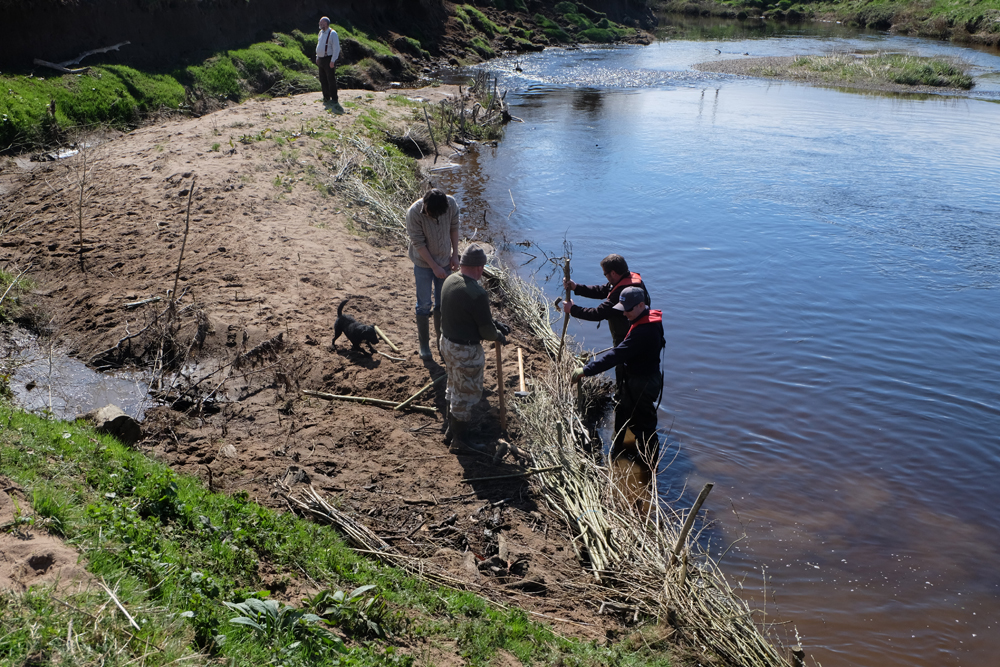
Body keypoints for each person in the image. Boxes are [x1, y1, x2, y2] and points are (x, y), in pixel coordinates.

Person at [572, 286, 664, 463]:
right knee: (622, 410)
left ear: (641, 305)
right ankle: (619, 451)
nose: (624, 314)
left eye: (627, 310)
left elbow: (616, 355)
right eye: (622, 309)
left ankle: (649, 465)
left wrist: (586, 370)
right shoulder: (644, 319)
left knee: (644, 425)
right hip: (635, 379)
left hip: (643, 383)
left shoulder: (645, 331)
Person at [440, 244, 509, 454]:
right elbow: (487, 332)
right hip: (465, 351)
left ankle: (450, 431)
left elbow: (467, 314)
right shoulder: (477, 293)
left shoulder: (450, 280)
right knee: (464, 394)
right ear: (480, 268)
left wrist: (493, 322)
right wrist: (498, 334)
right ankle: (460, 441)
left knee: (453, 385)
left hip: (447, 344)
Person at [406, 188, 461, 360]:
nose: (436, 217)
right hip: (423, 264)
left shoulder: (451, 204)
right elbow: (418, 242)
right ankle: (424, 345)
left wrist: (454, 255)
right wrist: (434, 267)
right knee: (424, 304)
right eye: (432, 213)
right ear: (426, 205)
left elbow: (454, 228)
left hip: (445, 261)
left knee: (442, 305)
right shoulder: (414, 213)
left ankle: (440, 343)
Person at [562, 254, 650, 348]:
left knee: (620, 359)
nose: (605, 277)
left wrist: (572, 309)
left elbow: (598, 313)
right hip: (631, 332)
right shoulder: (626, 278)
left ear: (613, 273)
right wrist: (576, 287)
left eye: (605, 274)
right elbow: (602, 290)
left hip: (627, 337)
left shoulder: (623, 293)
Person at [315, 17, 340, 104]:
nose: (320, 24)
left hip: (328, 59)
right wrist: (317, 57)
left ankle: (334, 99)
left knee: (330, 79)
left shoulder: (333, 33)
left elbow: (336, 48)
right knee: (322, 79)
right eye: (319, 22)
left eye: (321, 22)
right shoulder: (320, 33)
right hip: (321, 59)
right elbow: (319, 45)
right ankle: (326, 97)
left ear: (326, 23)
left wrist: (333, 60)